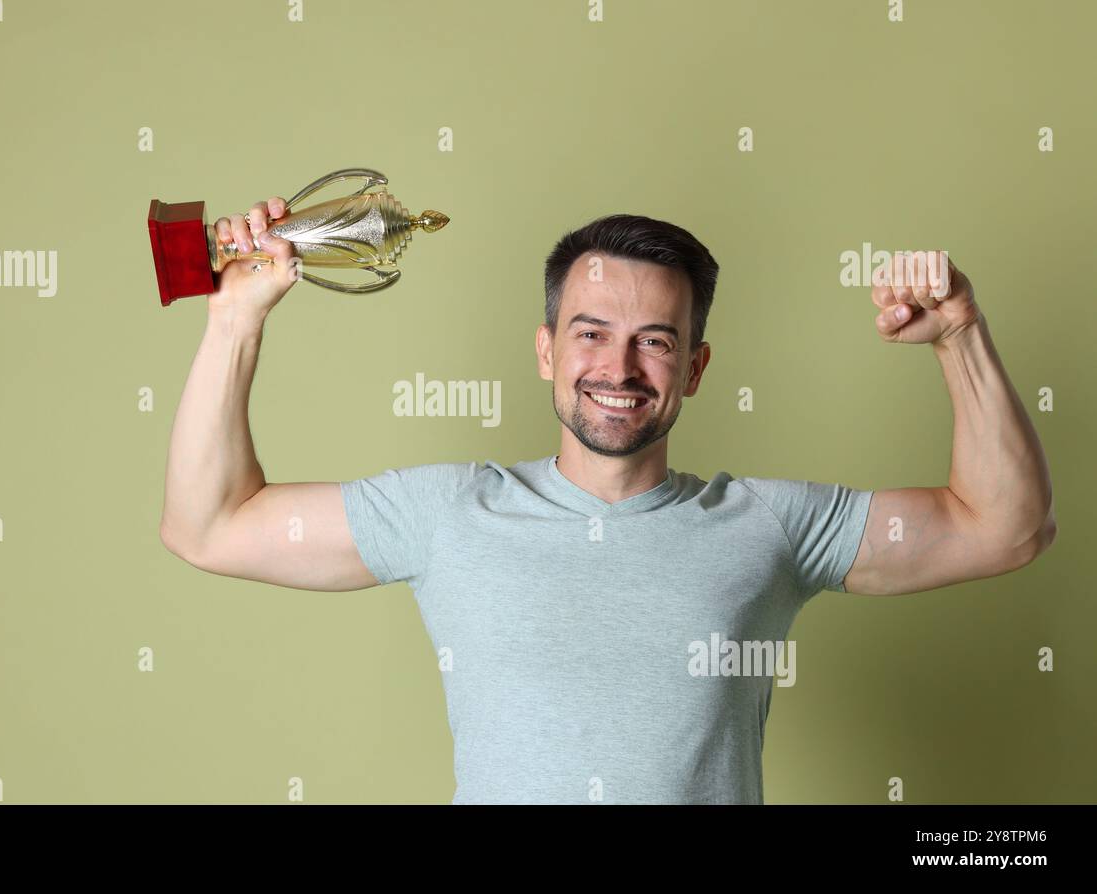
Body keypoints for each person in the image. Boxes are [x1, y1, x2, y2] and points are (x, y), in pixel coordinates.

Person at [159, 196, 1058, 804]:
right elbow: (208, 526)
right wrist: (234, 320)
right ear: (548, 351)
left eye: (656, 341)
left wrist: (960, 339)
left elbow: (1007, 528)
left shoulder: (770, 527)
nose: (618, 371)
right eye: (592, 334)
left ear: (696, 369)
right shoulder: (443, 515)